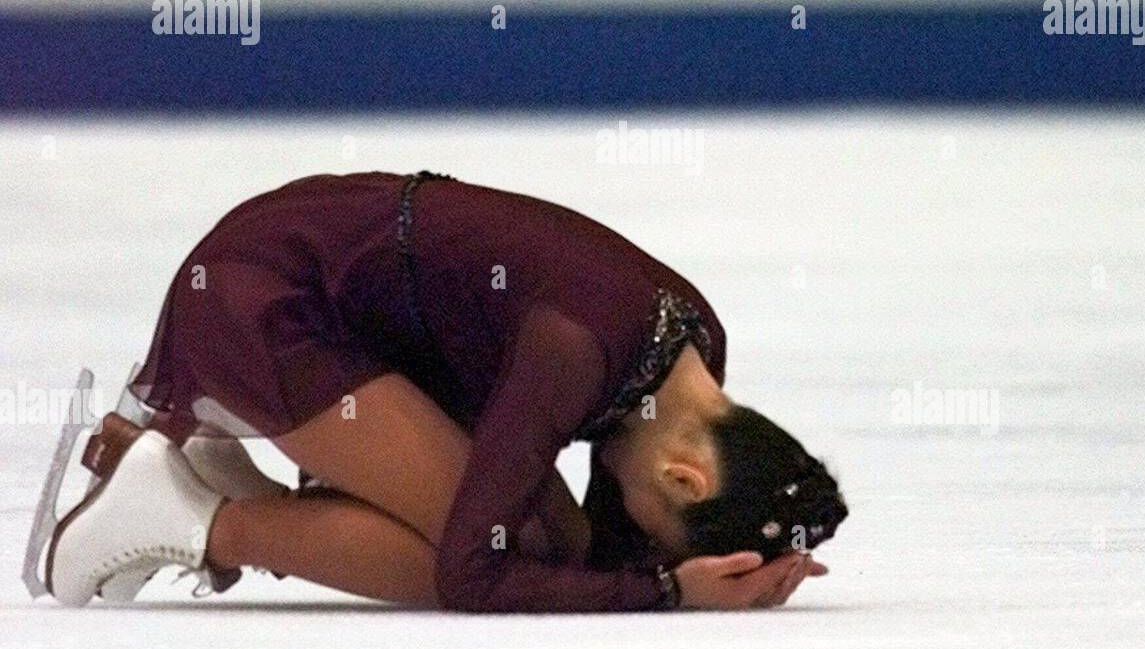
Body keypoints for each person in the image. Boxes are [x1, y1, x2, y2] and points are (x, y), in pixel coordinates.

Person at [42, 172, 847, 612]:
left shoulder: (695, 350)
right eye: (659, 531)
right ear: (684, 478)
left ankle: (224, 479)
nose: (639, 539)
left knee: (555, 546)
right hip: (265, 298)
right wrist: (668, 589)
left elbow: (592, 547)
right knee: (514, 551)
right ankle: (192, 519)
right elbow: (474, 573)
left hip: (343, 303)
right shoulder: (577, 350)